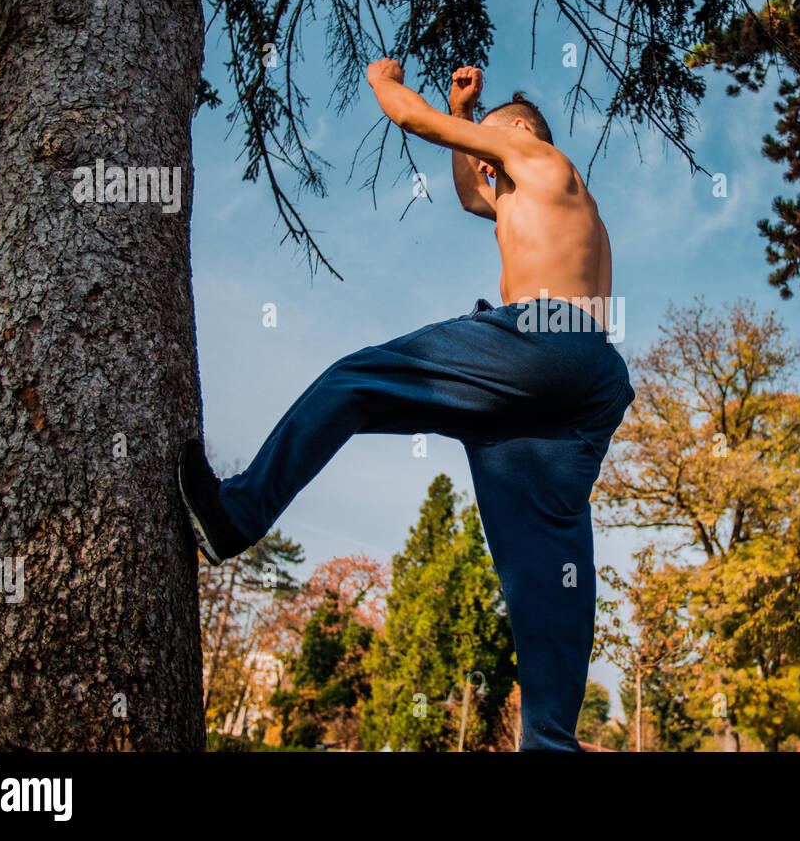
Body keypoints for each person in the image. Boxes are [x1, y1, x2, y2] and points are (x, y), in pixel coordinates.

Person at [177, 59, 634, 752]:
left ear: (513, 133)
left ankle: (235, 514)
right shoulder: (563, 203)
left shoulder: (534, 150)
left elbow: (414, 120)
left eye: (484, 144)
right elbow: (468, 197)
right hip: (581, 387)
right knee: (547, 573)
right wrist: (464, 111)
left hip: (545, 341)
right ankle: (550, 741)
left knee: (356, 382)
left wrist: (387, 84)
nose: (482, 166)